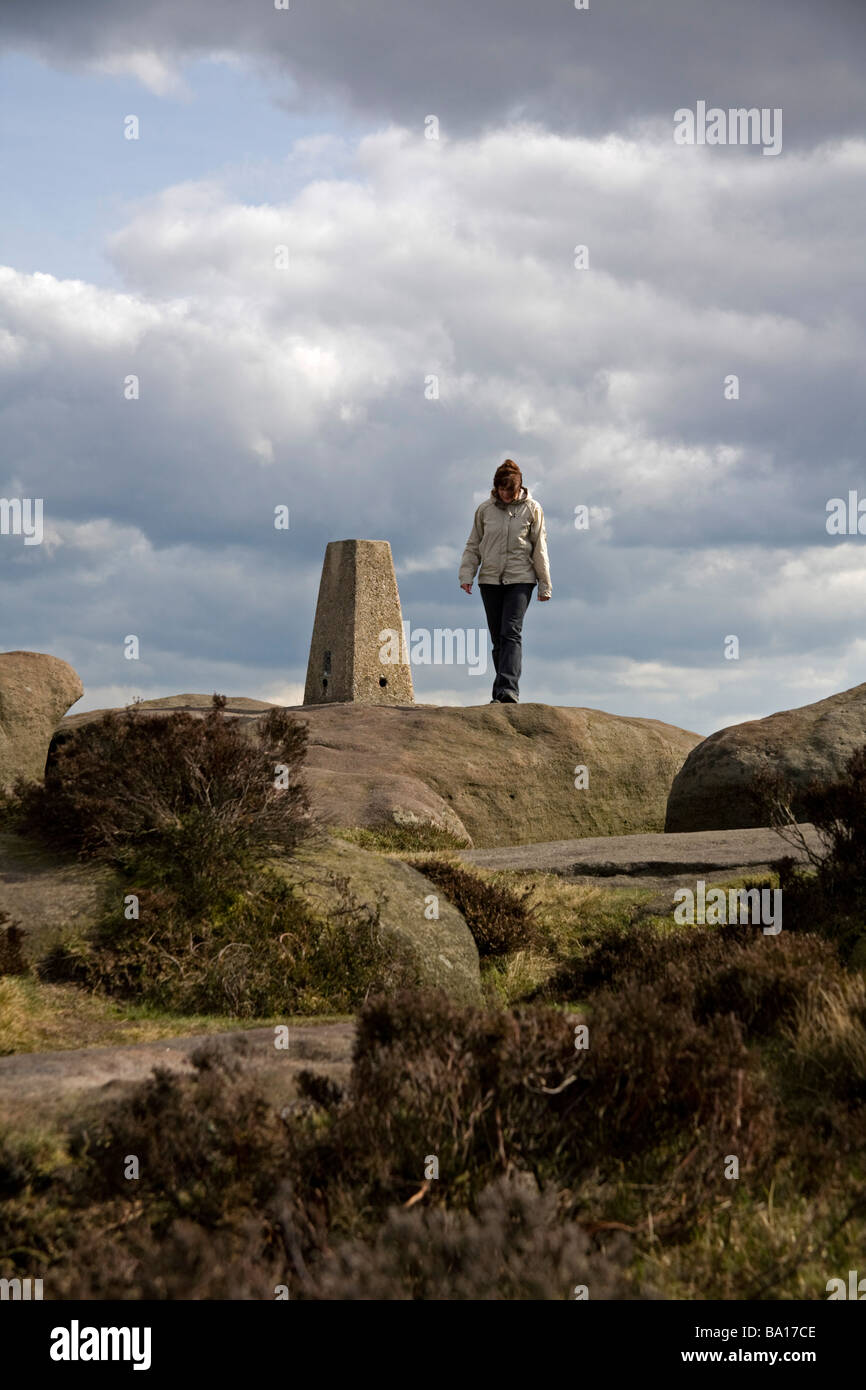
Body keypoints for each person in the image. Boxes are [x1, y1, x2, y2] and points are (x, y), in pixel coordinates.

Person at [459, 458, 552, 703]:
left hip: (521, 579)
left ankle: (508, 689)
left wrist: (545, 584)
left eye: (510, 491)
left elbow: (540, 548)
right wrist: (466, 574)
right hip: (489, 580)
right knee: (497, 638)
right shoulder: (484, 510)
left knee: (511, 632)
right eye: (502, 490)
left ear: (518, 487)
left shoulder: (532, 509)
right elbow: (473, 544)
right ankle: (500, 692)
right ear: (496, 487)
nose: (506, 495)